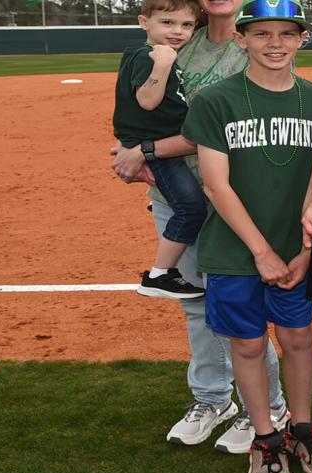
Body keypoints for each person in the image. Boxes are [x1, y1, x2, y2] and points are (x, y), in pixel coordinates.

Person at [110, 0, 289, 454]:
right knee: (194, 304)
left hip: (233, 198)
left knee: (236, 306)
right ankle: (212, 399)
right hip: (175, 195)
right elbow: (141, 109)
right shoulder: (176, 42)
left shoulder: (254, 46)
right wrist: (132, 149)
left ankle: (267, 407)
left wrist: (144, 150)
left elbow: (227, 128)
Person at [182, 0, 312, 473]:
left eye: (287, 33)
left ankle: (302, 429)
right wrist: (260, 251)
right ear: (241, 38)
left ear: (302, 39)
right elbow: (216, 185)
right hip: (235, 249)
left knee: (297, 338)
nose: (275, 44)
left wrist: (307, 249)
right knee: (249, 345)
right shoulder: (216, 100)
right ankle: (265, 439)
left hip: (296, 248)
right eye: (262, 33)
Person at [115, 0, 209, 301]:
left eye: (186, 25)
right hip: (159, 147)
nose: (177, 31)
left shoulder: (151, 53)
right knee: (191, 209)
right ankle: (160, 274)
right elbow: (147, 100)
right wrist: (164, 62)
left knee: (186, 199)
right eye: (167, 23)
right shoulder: (150, 56)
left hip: (159, 142)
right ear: (144, 23)